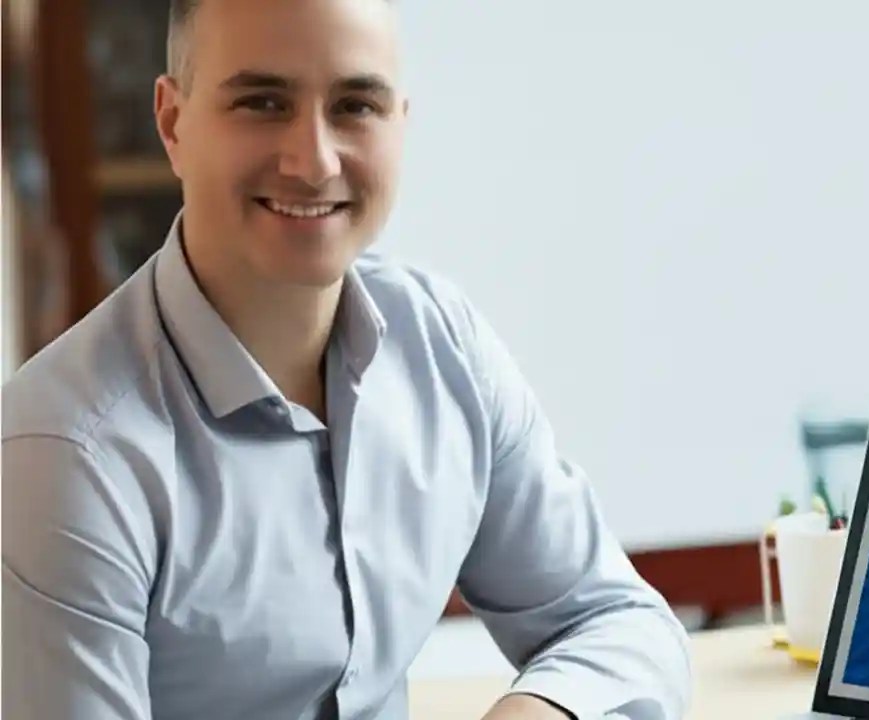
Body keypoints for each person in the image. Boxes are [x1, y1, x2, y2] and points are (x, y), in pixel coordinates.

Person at [0, 0, 692, 718]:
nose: (314, 160)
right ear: (174, 124)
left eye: (355, 104)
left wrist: (541, 710)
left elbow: (620, 624)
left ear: (400, 123)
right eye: (263, 102)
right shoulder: (63, 455)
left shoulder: (441, 345)